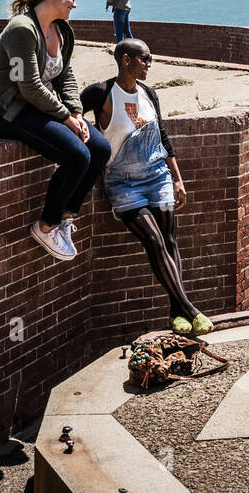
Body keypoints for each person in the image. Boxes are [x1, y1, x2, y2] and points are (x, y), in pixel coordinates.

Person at [81, 39, 214, 336]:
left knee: (169, 240)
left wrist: (177, 178)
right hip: (123, 182)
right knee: (153, 241)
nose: (150, 64)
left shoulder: (149, 94)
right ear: (127, 60)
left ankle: (175, 313)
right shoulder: (100, 93)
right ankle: (190, 308)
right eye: (146, 59)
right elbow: (71, 114)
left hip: (158, 176)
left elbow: (162, 138)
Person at [0, 0, 110, 261]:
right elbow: (28, 86)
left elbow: (65, 76)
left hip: (40, 108)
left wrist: (76, 112)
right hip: (8, 112)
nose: (75, 4)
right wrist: (66, 118)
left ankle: (66, 217)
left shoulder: (61, 30)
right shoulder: (21, 29)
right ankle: (46, 225)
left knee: (100, 148)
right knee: (77, 155)